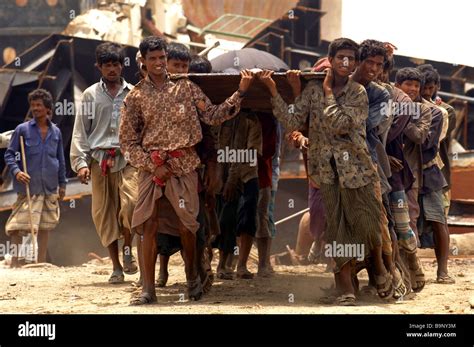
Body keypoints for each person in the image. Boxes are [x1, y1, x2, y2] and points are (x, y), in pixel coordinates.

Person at [119, 36, 254, 304]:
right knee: (147, 226)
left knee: (187, 225)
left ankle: (193, 277)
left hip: (184, 167)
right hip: (152, 170)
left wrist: (240, 91)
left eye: (161, 58)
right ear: (144, 62)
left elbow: (213, 115)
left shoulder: (187, 89)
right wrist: (152, 165)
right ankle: (148, 290)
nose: (158, 63)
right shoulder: (135, 97)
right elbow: (127, 141)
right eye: (153, 59)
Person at [258, 38, 393, 305]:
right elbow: (293, 120)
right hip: (325, 173)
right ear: (330, 60)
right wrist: (274, 91)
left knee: (368, 227)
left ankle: (378, 271)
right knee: (336, 231)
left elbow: (342, 124)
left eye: (350, 58)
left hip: (358, 170)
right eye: (340, 57)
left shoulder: (358, 92)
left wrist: (329, 90)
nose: (345, 63)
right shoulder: (312, 92)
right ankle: (346, 290)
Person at [70, 42, 138, 284]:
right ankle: (117, 267)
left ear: (122, 66)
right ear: (99, 67)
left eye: (116, 64)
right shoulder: (90, 95)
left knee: (131, 206)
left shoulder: (133, 93)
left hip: (129, 159)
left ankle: (128, 251)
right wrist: (81, 163)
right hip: (100, 161)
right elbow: (81, 131)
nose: (112, 69)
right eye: (107, 65)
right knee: (104, 214)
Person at [4, 89, 67, 267]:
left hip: (49, 185)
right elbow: (10, 154)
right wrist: (17, 171)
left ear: (48, 108)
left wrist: (62, 184)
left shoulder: (56, 132)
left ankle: (40, 263)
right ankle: (15, 262)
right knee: (17, 225)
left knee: (45, 225)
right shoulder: (22, 130)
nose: (35, 108)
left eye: (39, 105)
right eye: (33, 105)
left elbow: (60, 160)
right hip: (28, 187)